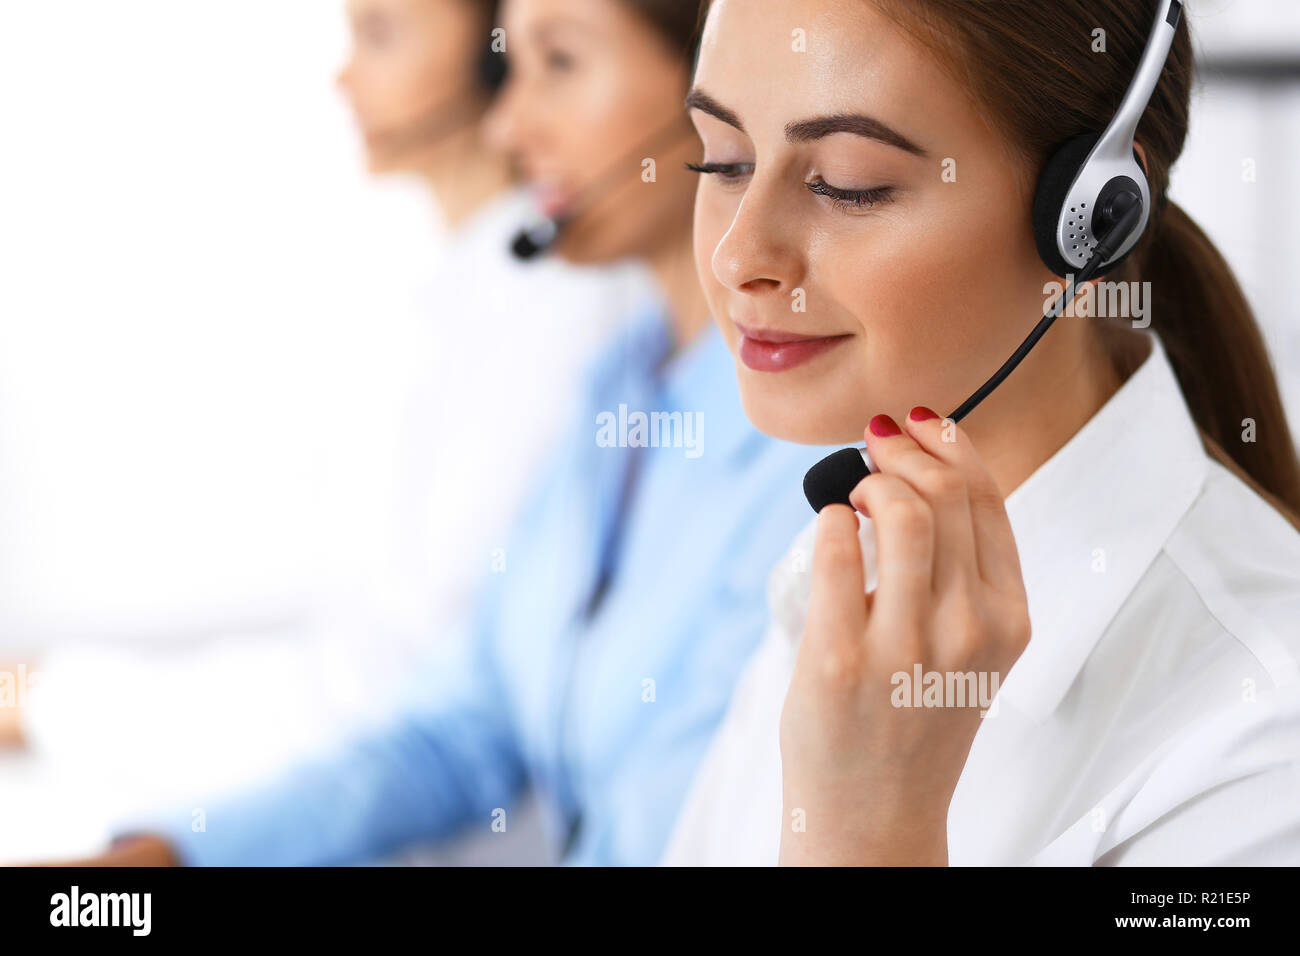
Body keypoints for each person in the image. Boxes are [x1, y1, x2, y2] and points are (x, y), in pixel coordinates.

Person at [59, 0, 836, 867]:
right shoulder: (622, 377)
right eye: (516, 67)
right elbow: (468, 728)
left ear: (717, 88)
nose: (508, 122)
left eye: (563, 64)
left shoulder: (800, 448)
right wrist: (170, 854)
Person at [663, 0, 1300, 865]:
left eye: (849, 183)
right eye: (725, 161)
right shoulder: (852, 559)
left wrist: (867, 834)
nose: (739, 257)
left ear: (1094, 216)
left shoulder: (1265, 739)